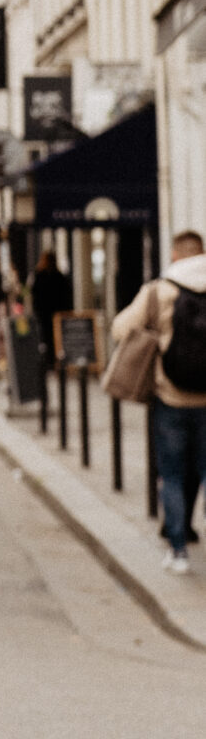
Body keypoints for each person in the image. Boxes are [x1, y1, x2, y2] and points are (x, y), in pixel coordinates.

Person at [110, 229, 206, 573]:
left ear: (175, 255)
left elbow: (120, 328)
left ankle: (178, 551)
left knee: (173, 474)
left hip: (171, 398)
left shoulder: (159, 291)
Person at [29, 249, 72, 375]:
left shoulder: (39, 276)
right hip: (56, 313)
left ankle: (49, 362)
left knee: (46, 338)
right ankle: (55, 362)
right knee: (56, 338)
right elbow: (66, 295)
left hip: (44, 314)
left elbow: (34, 295)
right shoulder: (59, 276)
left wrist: (36, 311)